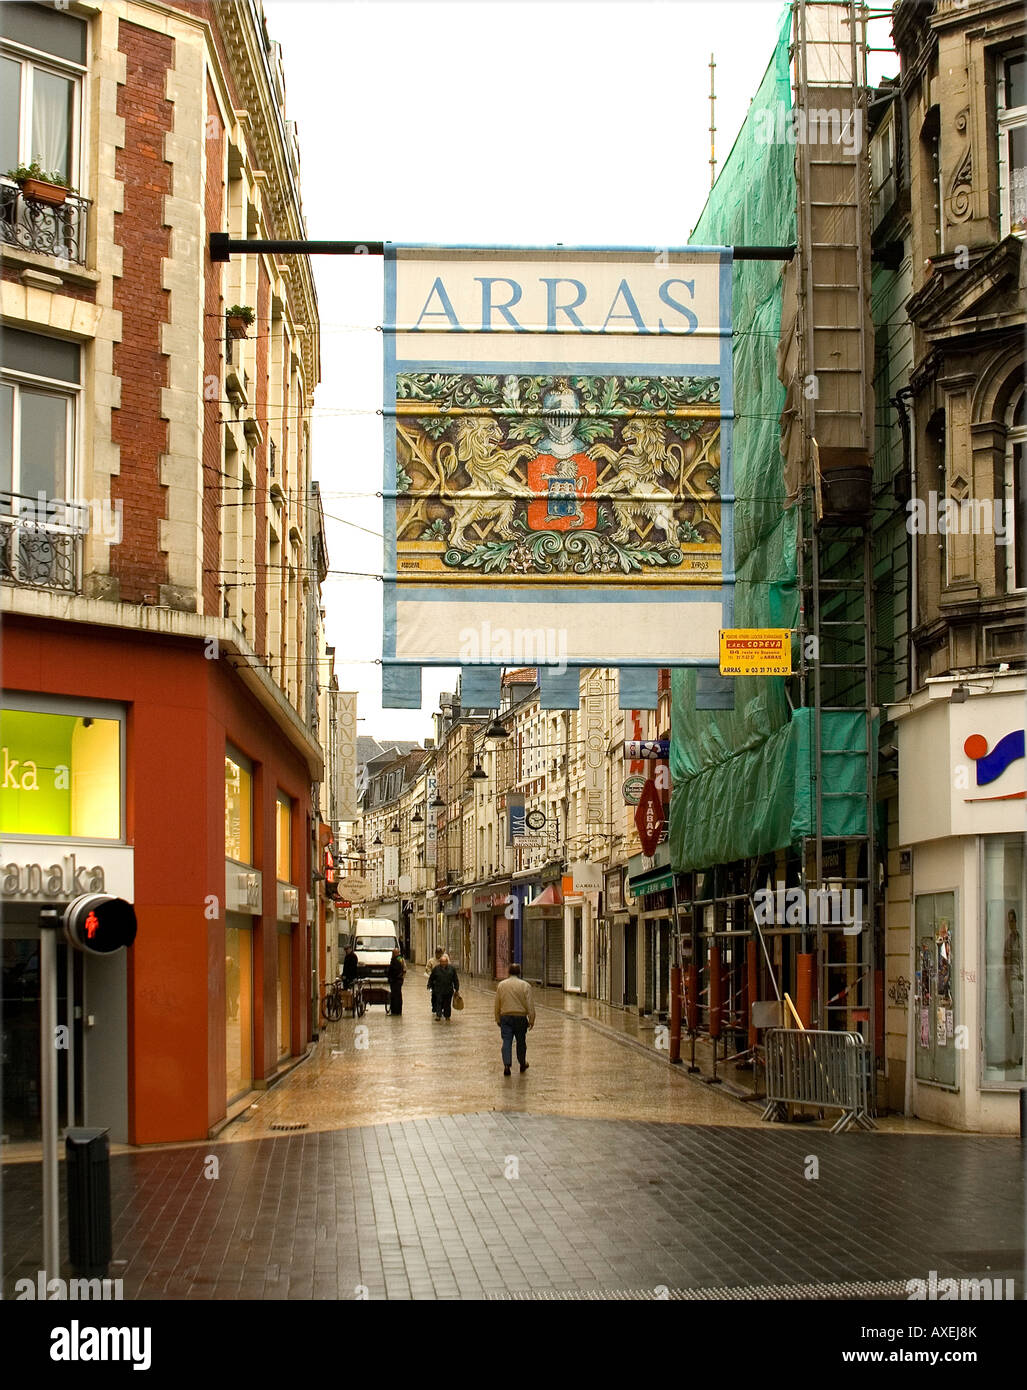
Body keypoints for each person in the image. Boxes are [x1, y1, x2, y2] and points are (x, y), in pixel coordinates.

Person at [494, 962, 535, 1075]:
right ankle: (522, 1063)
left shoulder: (501, 985)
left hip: (506, 1017)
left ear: (509, 972)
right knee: (521, 1042)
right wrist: (531, 1019)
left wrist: (497, 1018)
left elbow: (497, 1003)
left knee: (506, 1041)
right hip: (520, 1018)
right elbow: (530, 1004)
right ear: (519, 972)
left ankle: (507, 1065)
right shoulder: (525, 985)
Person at [427, 953, 459, 1022]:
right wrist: (429, 985)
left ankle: (447, 1016)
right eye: (442, 962)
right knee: (438, 1002)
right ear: (440, 962)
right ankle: (438, 1015)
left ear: (447, 962)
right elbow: (431, 978)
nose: (444, 963)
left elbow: (455, 979)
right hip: (439, 989)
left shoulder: (452, 969)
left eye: (445, 962)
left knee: (447, 1004)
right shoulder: (436, 969)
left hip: (448, 990)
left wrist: (457, 988)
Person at [387, 947, 405, 1016]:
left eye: (393, 953)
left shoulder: (397, 960)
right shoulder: (398, 959)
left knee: (396, 996)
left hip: (396, 980)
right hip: (397, 980)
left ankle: (396, 1011)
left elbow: (396, 970)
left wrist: (391, 977)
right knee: (397, 996)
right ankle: (397, 1011)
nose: (392, 954)